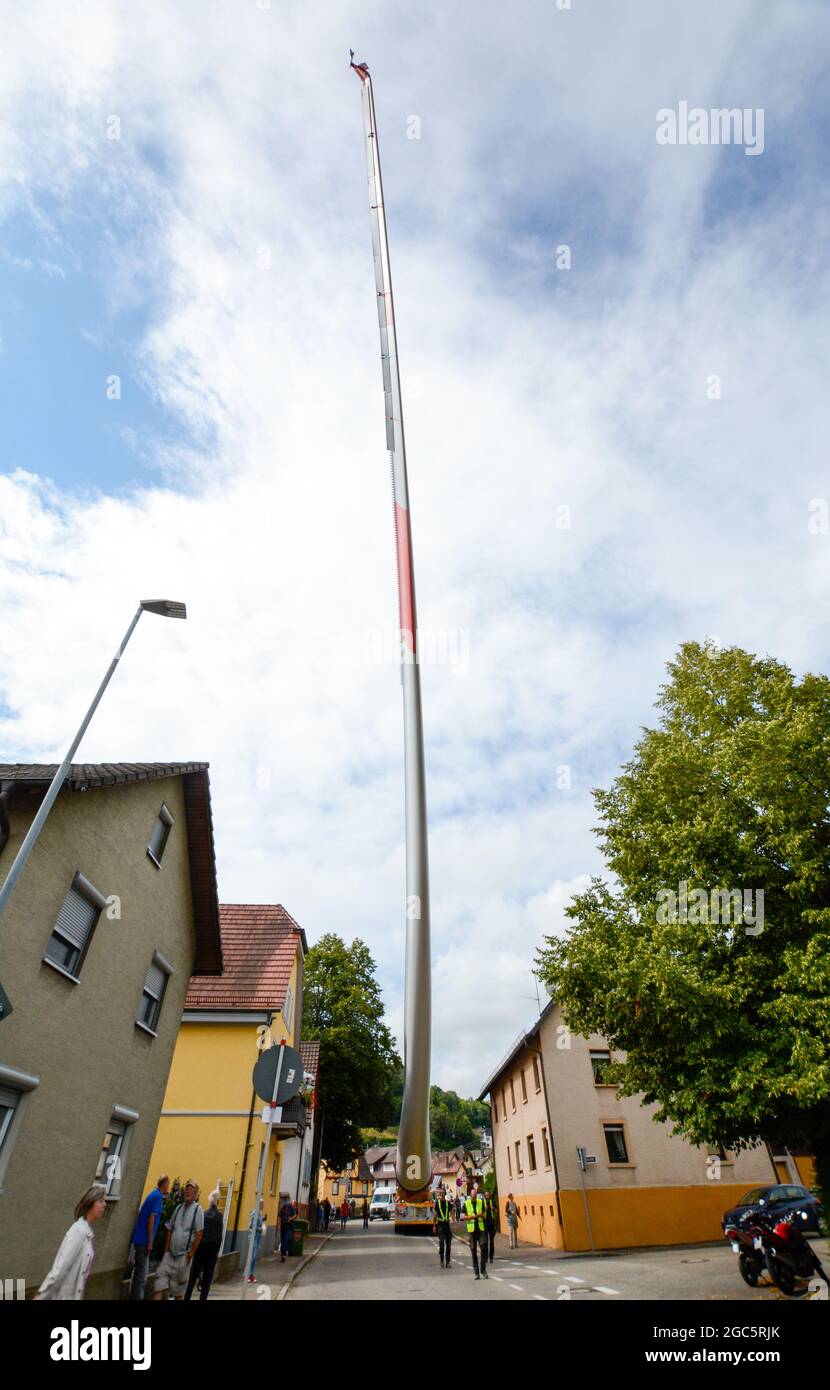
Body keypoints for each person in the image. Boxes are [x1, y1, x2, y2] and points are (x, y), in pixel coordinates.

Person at [35, 1185, 108, 1300]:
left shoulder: (86, 1233)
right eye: (101, 1201)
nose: (105, 1204)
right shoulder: (78, 1232)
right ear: (90, 1204)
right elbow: (60, 1269)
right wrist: (40, 1296)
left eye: (105, 1201)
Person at [154, 1180, 204, 1300]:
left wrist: (190, 1253)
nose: (188, 1191)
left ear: (196, 1194)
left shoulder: (198, 1210)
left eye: (191, 1189)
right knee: (159, 1284)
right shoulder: (178, 1208)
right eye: (187, 1189)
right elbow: (170, 1229)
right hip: (170, 1254)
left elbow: (199, 1233)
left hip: (183, 1256)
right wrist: (166, 1251)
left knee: (178, 1290)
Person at [129, 1174, 169, 1300]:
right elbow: (151, 1219)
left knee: (137, 1273)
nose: (169, 1186)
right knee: (141, 1276)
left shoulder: (153, 1194)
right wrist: (150, 1240)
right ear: (164, 1184)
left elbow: (142, 1212)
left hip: (139, 1238)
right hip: (144, 1240)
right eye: (168, 1183)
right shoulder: (157, 1197)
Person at [184, 1188, 222, 1301]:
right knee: (207, 1278)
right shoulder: (219, 1216)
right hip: (211, 1249)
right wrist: (217, 1251)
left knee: (193, 1276)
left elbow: (198, 1230)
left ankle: (187, 1297)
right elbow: (219, 1236)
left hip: (200, 1247)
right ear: (218, 1201)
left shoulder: (203, 1213)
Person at [464, 1183, 488, 1280]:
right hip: (472, 1230)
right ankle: (476, 1273)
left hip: (481, 1228)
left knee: (484, 1249)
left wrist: (480, 1215)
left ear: (476, 1195)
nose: (474, 1198)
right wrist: (472, 1217)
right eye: (472, 1196)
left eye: (475, 1196)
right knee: (473, 1251)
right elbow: (464, 1217)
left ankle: (483, 1270)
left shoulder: (480, 1202)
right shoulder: (466, 1203)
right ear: (470, 1196)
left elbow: (484, 1215)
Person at [433, 1185, 453, 1269]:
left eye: (442, 1193)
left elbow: (452, 1211)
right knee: (441, 1243)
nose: (441, 1194)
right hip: (440, 1224)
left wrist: (453, 1218)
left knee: (448, 1244)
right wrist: (434, 1226)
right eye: (440, 1193)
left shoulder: (448, 1203)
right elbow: (435, 1215)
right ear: (439, 1194)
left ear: (444, 1194)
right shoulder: (437, 1203)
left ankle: (447, 1262)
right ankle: (441, 1260)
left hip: (447, 1225)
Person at [246, 1200, 266, 1282]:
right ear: (259, 1204)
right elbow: (251, 1226)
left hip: (257, 1237)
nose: (263, 1205)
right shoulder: (254, 1214)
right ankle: (247, 1275)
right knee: (252, 1256)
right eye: (262, 1204)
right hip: (253, 1237)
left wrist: (262, 1224)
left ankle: (251, 1275)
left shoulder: (259, 1213)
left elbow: (258, 1223)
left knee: (254, 1257)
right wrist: (260, 1229)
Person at [278, 1192, 296, 1262]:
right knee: (282, 1241)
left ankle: (285, 1253)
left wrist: (290, 1219)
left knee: (287, 1239)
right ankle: (283, 1255)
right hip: (283, 1225)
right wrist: (279, 1226)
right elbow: (279, 1217)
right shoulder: (282, 1207)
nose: (285, 1200)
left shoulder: (291, 1206)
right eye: (284, 1199)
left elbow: (295, 1215)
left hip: (289, 1226)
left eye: (286, 1199)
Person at [483, 1188, 497, 1263]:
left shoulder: (492, 1202)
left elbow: (496, 1211)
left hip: (491, 1223)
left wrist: (493, 1208)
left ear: (489, 1196)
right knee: (485, 1241)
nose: (487, 1196)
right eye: (486, 1195)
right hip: (485, 1222)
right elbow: (479, 1212)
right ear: (484, 1196)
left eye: (488, 1195)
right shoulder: (482, 1202)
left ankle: (491, 1256)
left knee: (491, 1241)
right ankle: (485, 1256)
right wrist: (484, 1210)